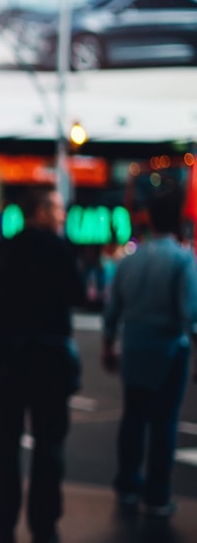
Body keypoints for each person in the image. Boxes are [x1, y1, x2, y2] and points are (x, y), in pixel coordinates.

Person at [0, 187, 84, 543]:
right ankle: (44, 524)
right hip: (49, 362)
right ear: (39, 212)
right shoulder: (58, 251)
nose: (62, 214)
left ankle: (1, 524)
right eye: (56, 208)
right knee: (49, 447)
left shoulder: (0, 252)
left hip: (9, 362)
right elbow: (77, 294)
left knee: (6, 446)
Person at [102, 190, 197, 517]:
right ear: (177, 222)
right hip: (170, 348)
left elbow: (112, 309)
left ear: (149, 219)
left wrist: (108, 344)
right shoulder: (183, 260)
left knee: (133, 418)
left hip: (134, 346)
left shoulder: (128, 261)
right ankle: (157, 494)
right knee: (164, 422)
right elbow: (190, 312)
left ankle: (127, 483)